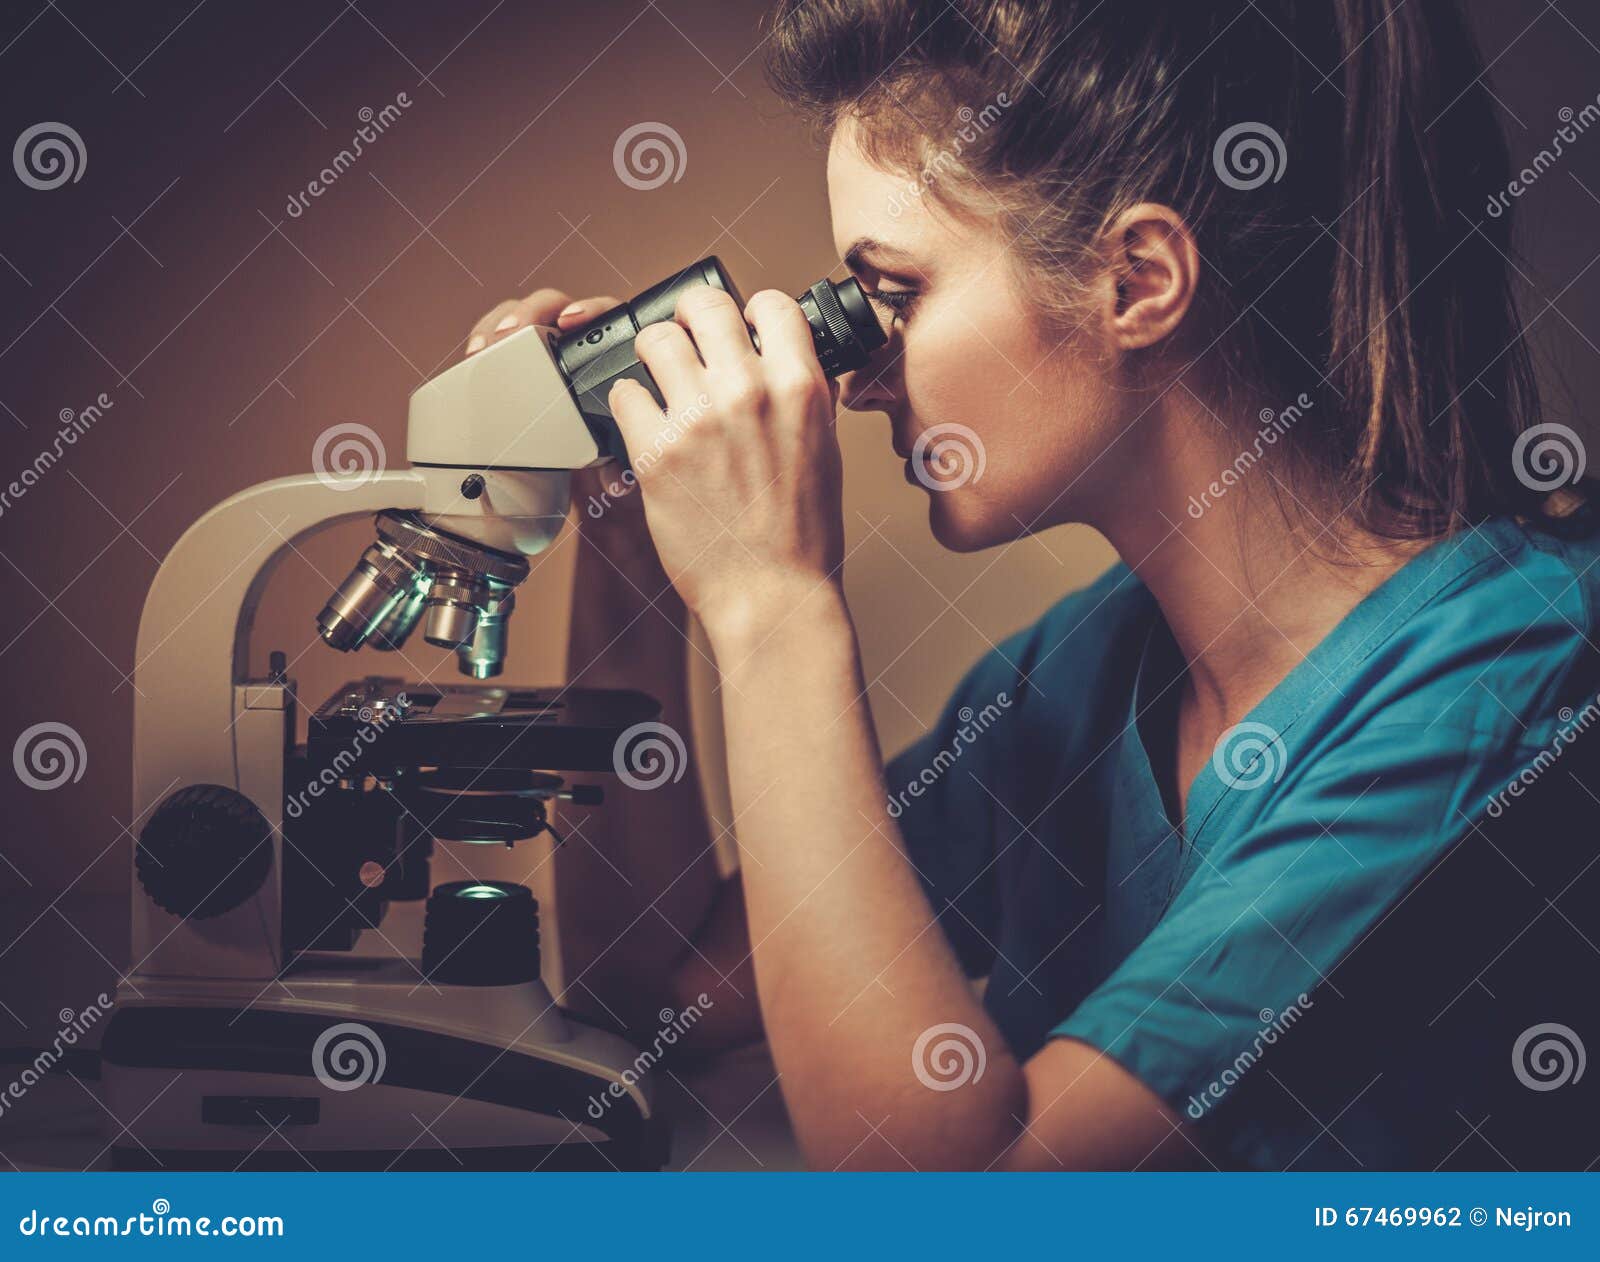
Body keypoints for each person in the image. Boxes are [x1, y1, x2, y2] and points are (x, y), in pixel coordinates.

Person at [465, 0, 1599, 1170]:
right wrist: (627, 532)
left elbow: (959, 1207)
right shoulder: (1085, 676)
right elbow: (659, 992)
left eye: (891, 297)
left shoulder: (1505, 682)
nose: (856, 381)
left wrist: (774, 604)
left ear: (1135, 281)